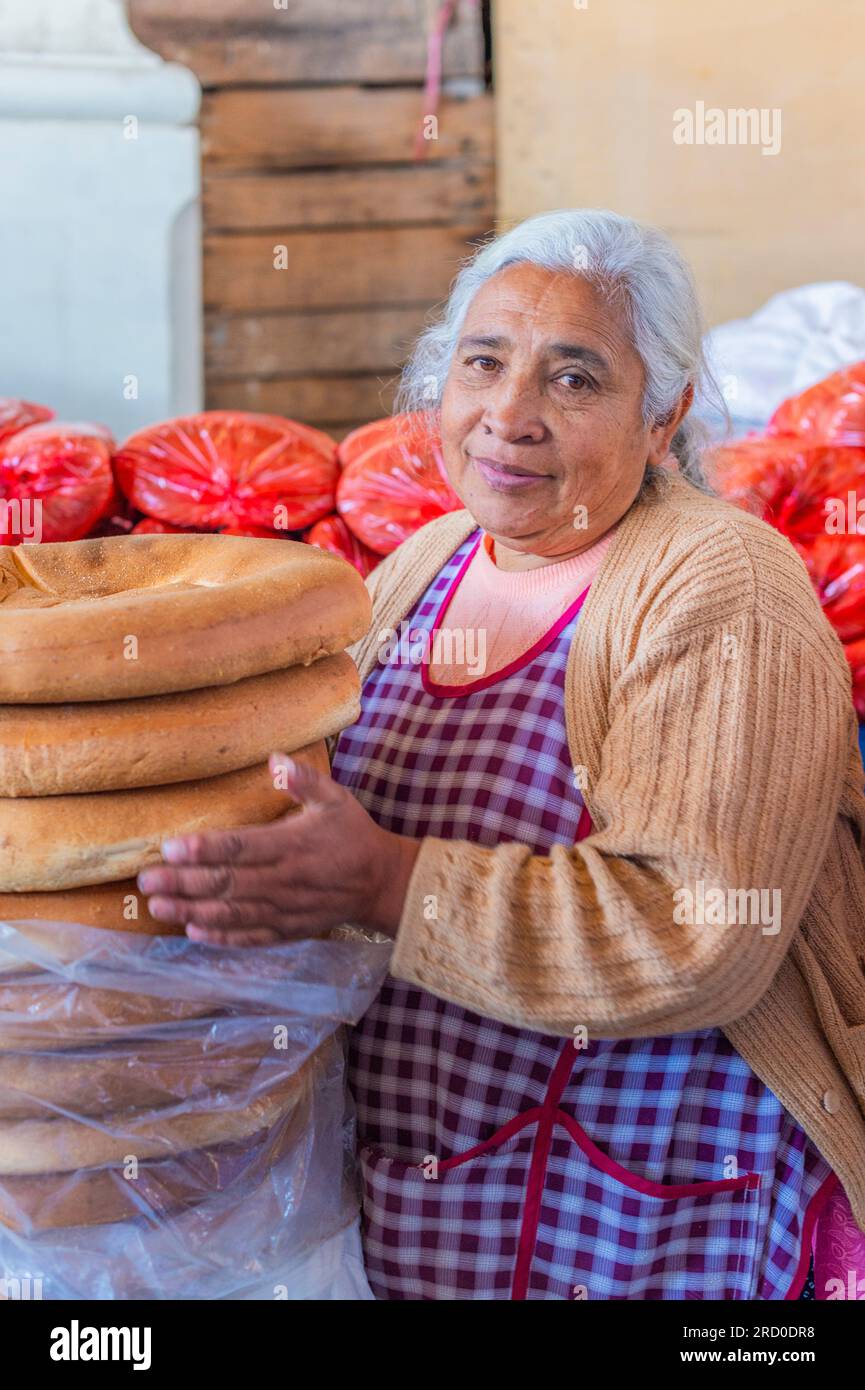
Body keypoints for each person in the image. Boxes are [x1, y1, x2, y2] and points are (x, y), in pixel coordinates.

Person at [139, 208, 865, 1300]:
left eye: (573, 379)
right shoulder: (422, 565)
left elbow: (699, 931)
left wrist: (387, 880)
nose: (508, 415)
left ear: (661, 414)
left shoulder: (722, 589)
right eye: (482, 362)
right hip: (435, 1186)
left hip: (648, 1203)